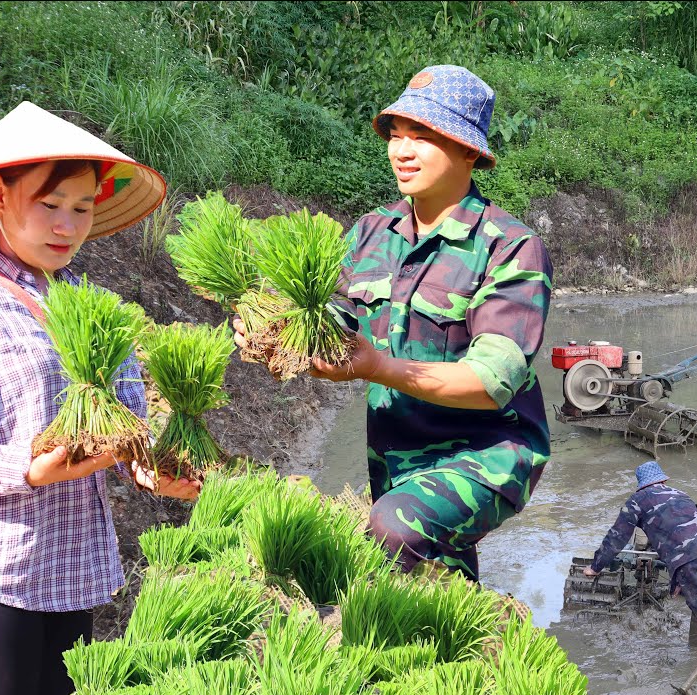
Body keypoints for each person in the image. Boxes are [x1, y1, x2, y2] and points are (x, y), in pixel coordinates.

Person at [0, 101, 199, 695]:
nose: (68, 224)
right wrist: (32, 467)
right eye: (51, 204)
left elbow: (123, 433)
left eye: (83, 208)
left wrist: (152, 471)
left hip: (69, 582)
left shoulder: (97, 310)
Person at [234, 65, 552, 582]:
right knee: (429, 575)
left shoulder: (508, 245)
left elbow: (492, 382)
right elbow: (335, 322)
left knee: (395, 528)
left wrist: (378, 366)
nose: (401, 150)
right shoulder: (370, 232)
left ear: (469, 151)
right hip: (396, 459)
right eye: (396, 135)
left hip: (488, 455)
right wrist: (278, 333)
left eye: (422, 136)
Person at [582, 461, 697, 655]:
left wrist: (595, 566)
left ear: (642, 484)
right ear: (662, 480)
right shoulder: (680, 494)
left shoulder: (636, 501)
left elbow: (617, 537)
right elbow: (686, 525)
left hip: (689, 555)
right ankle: (695, 650)